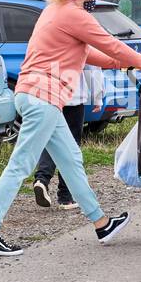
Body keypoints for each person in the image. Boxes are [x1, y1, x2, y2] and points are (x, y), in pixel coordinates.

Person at [0, 0, 141, 256]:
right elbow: (111, 45)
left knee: (71, 159)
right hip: (43, 98)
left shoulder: (56, 9)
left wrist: (130, 63)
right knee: (20, 165)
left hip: (41, 97)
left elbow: (91, 53)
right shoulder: (74, 14)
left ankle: (101, 223)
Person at [33, 64, 104, 210]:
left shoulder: (45, 39)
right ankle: (65, 196)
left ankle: (42, 179)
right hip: (73, 97)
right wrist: (97, 97)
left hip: (48, 95)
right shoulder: (79, 40)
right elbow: (91, 68)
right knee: (70, 145)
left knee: (50, 140)